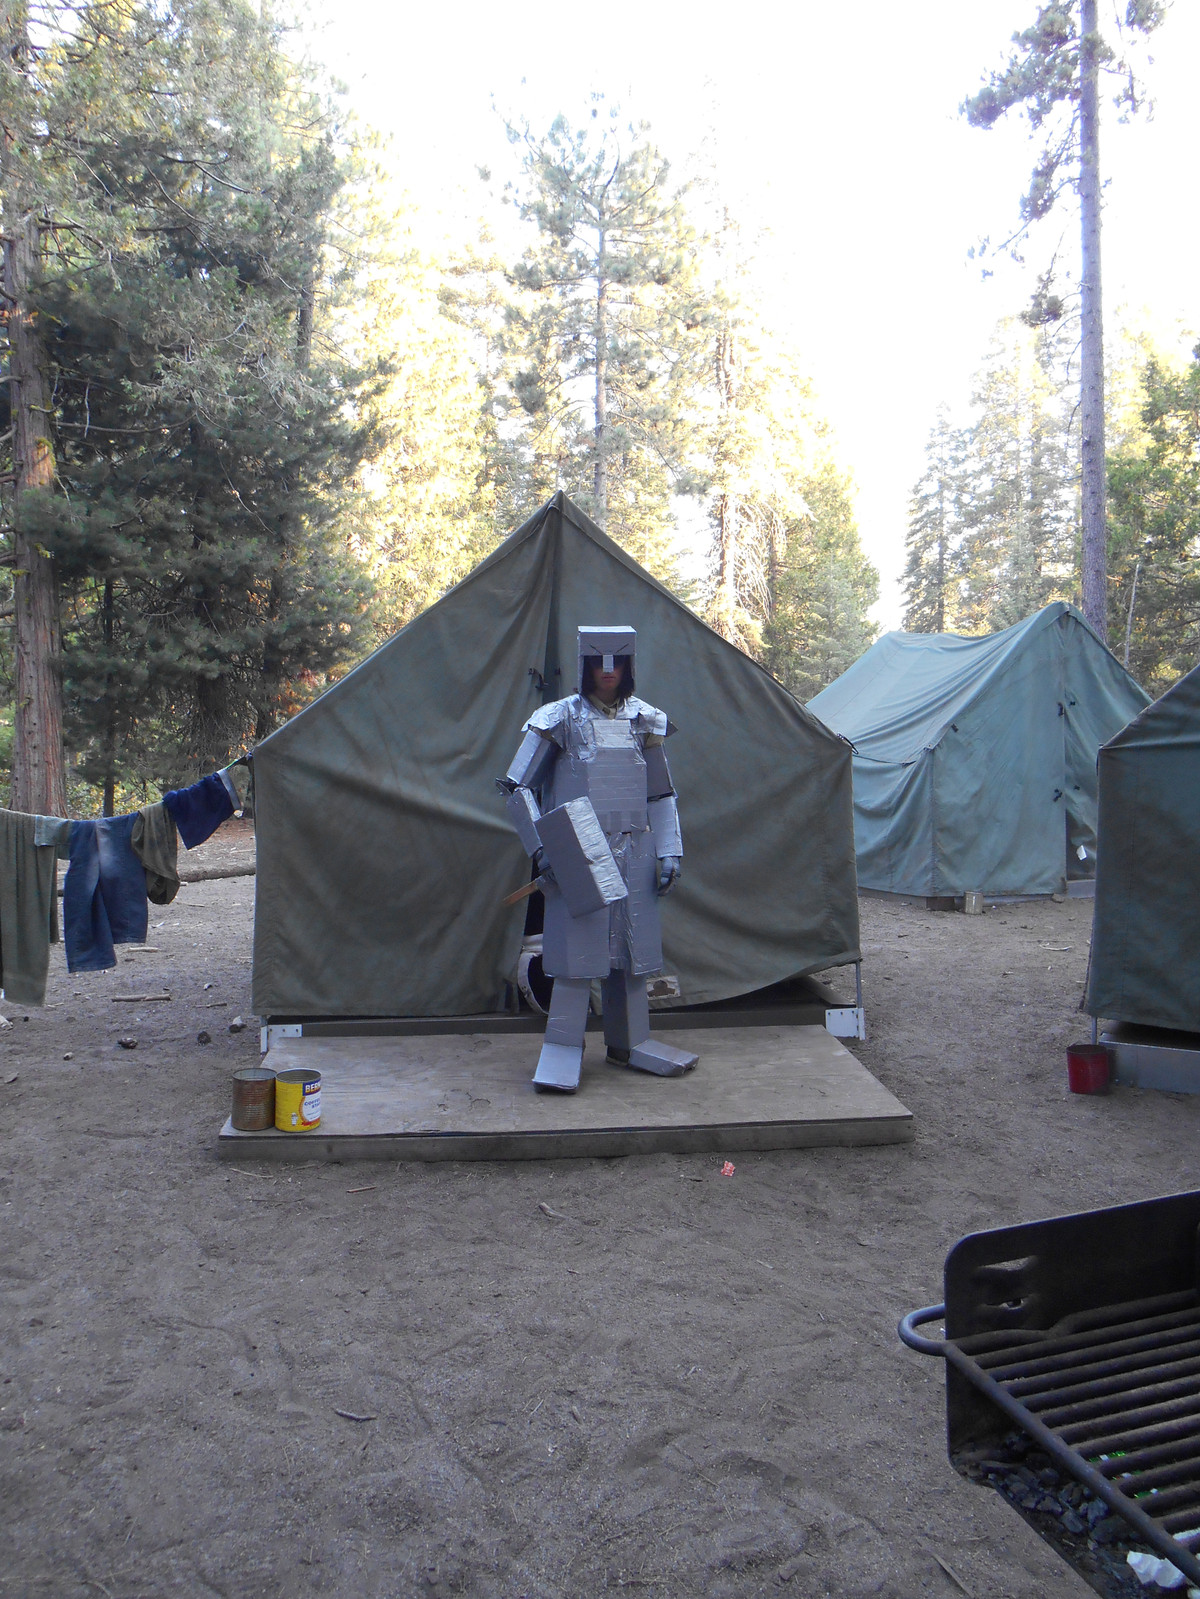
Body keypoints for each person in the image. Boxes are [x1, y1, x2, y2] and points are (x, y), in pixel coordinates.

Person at [500, 625, 699, 1092]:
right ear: (584, 662)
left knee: (631, 958)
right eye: (598, 660)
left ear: (630, 663)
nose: (607, 671)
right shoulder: (559, 718)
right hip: (578, 851)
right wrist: (543, 847)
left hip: (636, 851)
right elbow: (516, 786)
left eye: (617, 660)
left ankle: (631, 1043)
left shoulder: (645, 720)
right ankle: (563, 1047)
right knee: (577, 958)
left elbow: (661, 792)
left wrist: (668, 848)